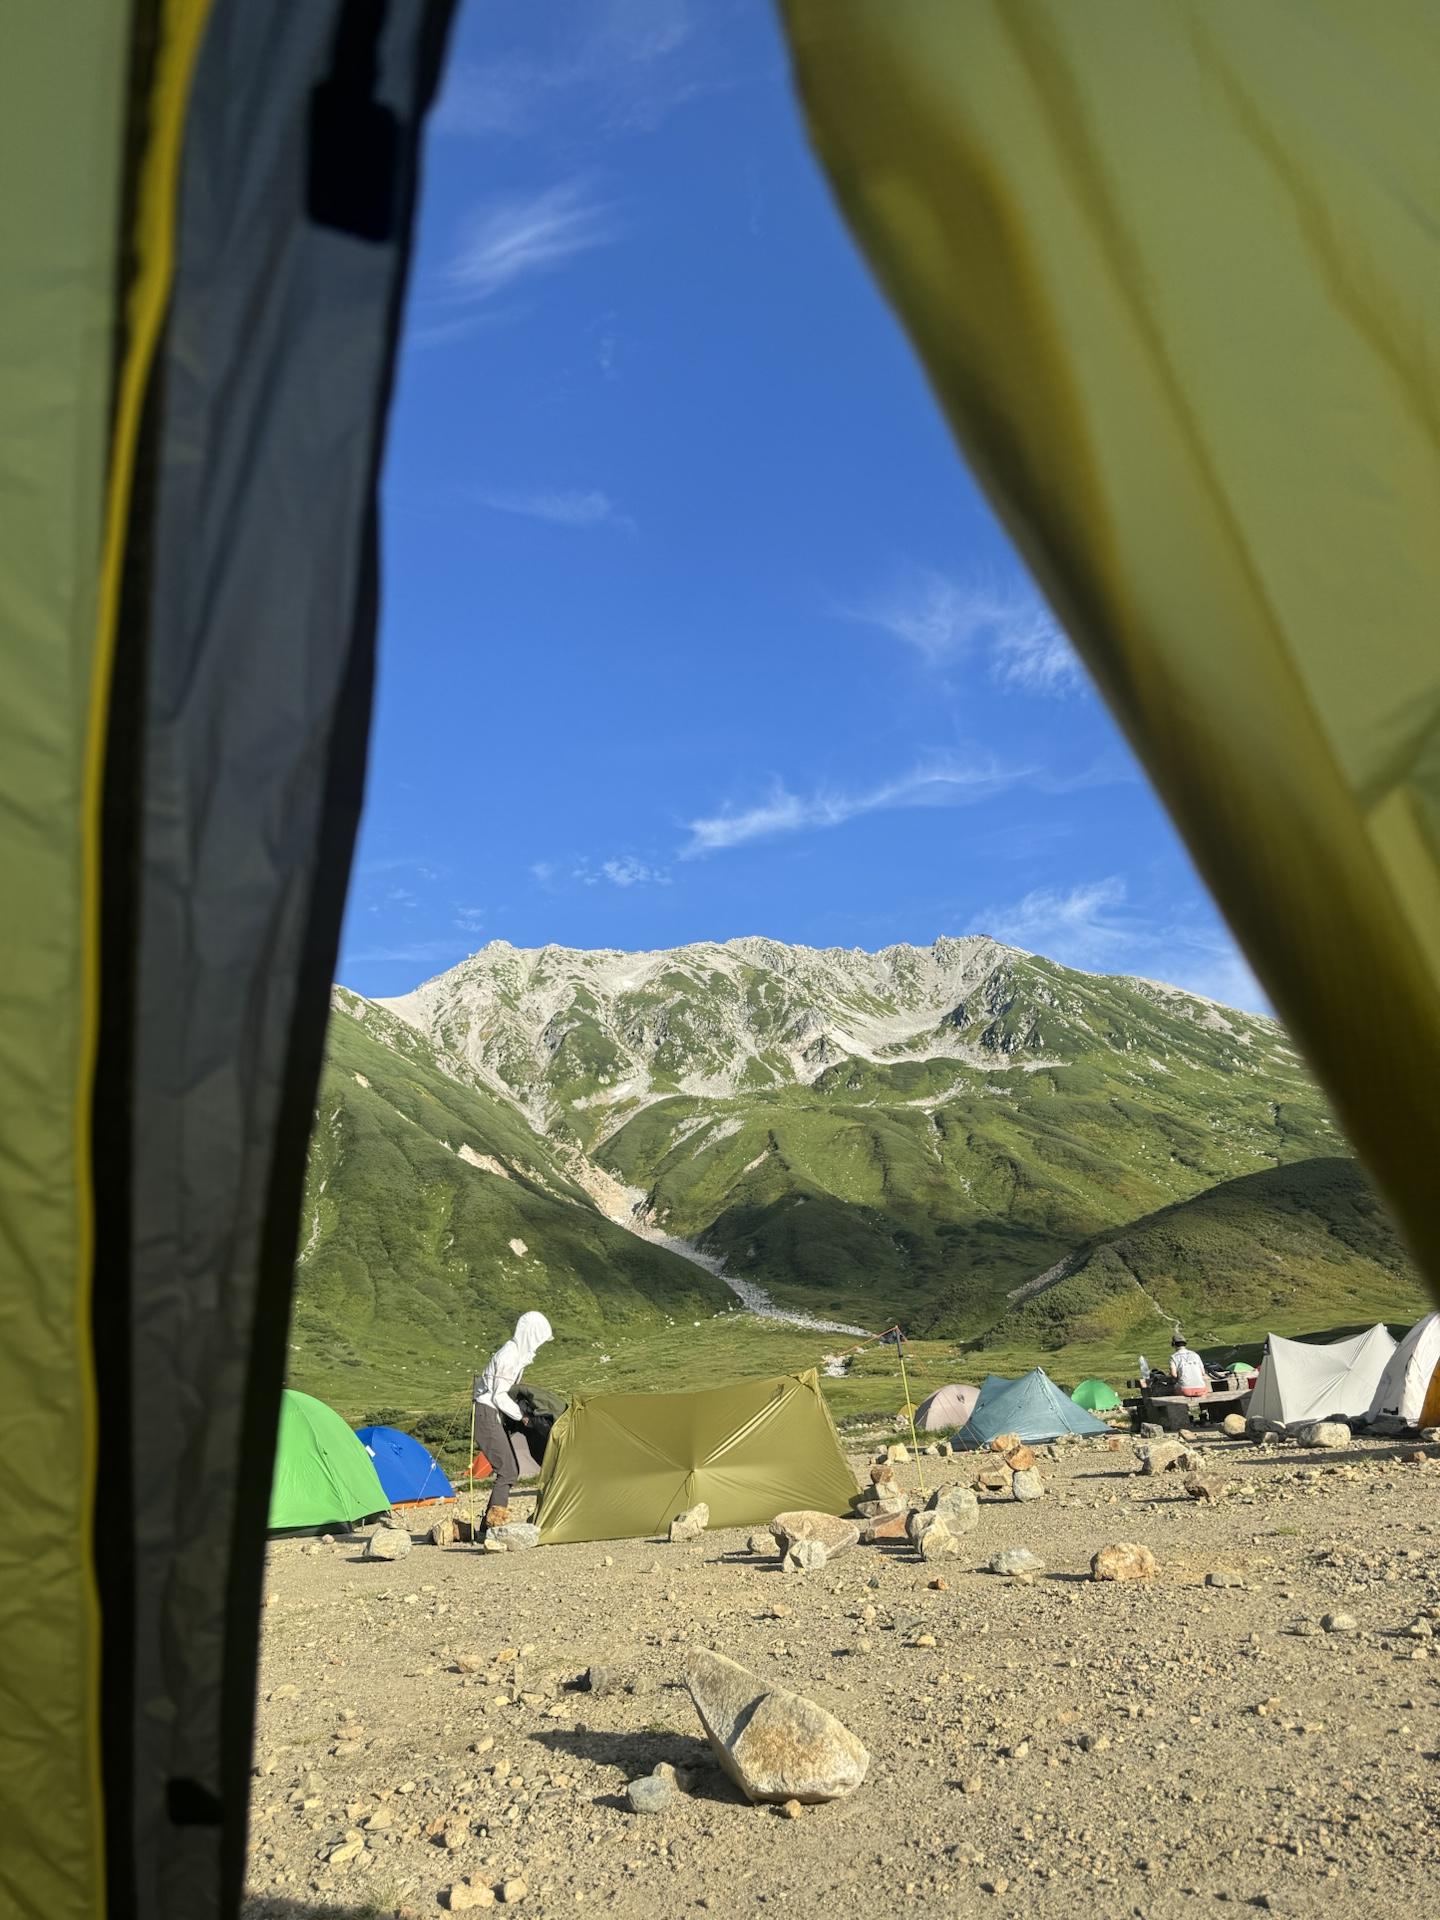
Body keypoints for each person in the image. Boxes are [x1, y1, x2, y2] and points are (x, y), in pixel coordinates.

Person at [472, 1311, 553, 1534]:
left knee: (510, 1470)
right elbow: (498, 1396)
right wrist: (523, 1417)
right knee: (507, 1471)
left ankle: (487, 1527)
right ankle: (491, 1526)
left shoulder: (516, 1355)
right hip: (487, 1413)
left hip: (493, 1414)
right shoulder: (509, 1356)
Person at [1169, 1333, 1209, 1397]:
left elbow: (1174, 1375)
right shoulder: (1195, 1355)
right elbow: (1203, 1373)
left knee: (1173, 1390)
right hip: (1201, 1389)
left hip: (1185, 1390)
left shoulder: (1174, 1357)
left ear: (1173, 1344)